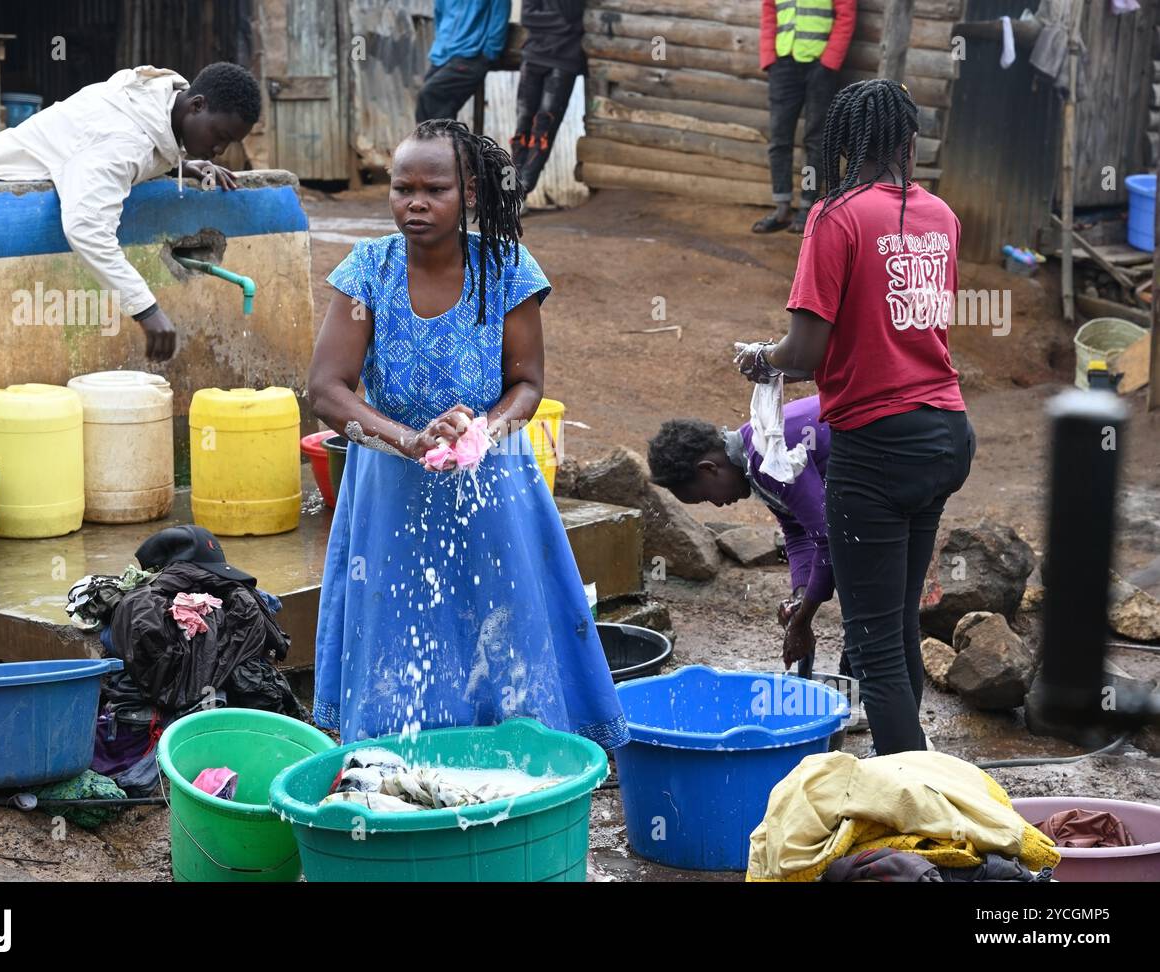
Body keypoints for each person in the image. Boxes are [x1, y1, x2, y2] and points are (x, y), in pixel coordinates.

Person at [306, 118, 629, 750]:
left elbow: (527, 385)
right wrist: (406, 439)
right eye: (402, 189)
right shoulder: (365, 274)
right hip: (388, 489)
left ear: (472, 194)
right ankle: (401, 762)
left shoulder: (507, 270)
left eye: (434, 189)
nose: (415, 203)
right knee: (399, 626)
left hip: (494, 484)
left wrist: (481, 430)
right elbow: (327, 389)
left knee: (502, 623)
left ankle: (517, 758)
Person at [735, 79, 975, 756]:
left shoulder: (835, 218)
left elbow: (806, 350)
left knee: (872, 644)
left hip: (875, 444)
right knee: (898, 622)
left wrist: (761, 359)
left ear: (842, 145)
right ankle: (914, 778)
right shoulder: (942, 216)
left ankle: (908, 795)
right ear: (910, 141)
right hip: (945, 434)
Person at [0, 63, 262, 361]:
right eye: (220, 135)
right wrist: (147, 310)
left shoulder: (158, 99)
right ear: (197, 105)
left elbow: (135, 153)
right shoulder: (124, 141)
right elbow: (87, 228)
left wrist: (178, 166)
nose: (220, 150)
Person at [646, 397, 835, 677]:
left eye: (704, 497)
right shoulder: (754, 459)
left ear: (709, 468)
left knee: (876, 627)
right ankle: (859, 702)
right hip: (894, 473)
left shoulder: (766, 454)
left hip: (901, 455)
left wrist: (803, 620)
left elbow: (829, 543)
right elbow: (797, 532)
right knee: (874, 630)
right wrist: (800, 597)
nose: (716, 505)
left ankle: (868, 704)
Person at [752, 0, 855, 235]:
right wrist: (769, 56)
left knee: (815, 139)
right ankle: (782, 208)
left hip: (820, 66)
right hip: (783, 64)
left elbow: (845, 15)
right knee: (779, 138)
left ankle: (807, 206)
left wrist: (830, 61)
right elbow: (769, 12)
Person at [511, 0, 585, 197]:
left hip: (564, 61)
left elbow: (575, 17)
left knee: (543, 131)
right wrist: (564, 24)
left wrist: (561, 22)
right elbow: (528, 17)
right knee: (522, 127)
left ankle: (521, 193)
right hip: (533, 56)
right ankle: (508, 190)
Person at [415, 0, 511, 122]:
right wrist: (441, 42)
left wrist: (489, 53)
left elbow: (499, 18)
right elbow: (439, 14)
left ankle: (443, 139)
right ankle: (427, 140)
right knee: (424, 100)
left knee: (432, 93)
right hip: (443, 54)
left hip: (472, 55)